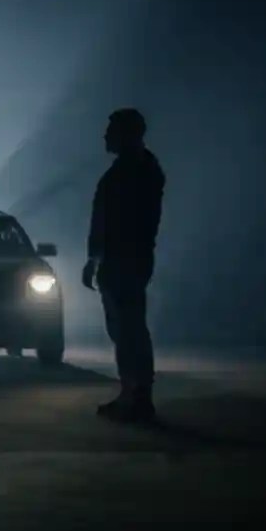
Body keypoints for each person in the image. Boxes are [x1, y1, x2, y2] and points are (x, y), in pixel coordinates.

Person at [81, 108, 165, 422]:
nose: (105, 136)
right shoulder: (133, 168)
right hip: (121, 259)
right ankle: (132, 392)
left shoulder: (137, 170)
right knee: (124, 328)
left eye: (111, 130)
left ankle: (138, 396)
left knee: (129, 328)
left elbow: (122, 221)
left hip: (125, 260)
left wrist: (100, 257)